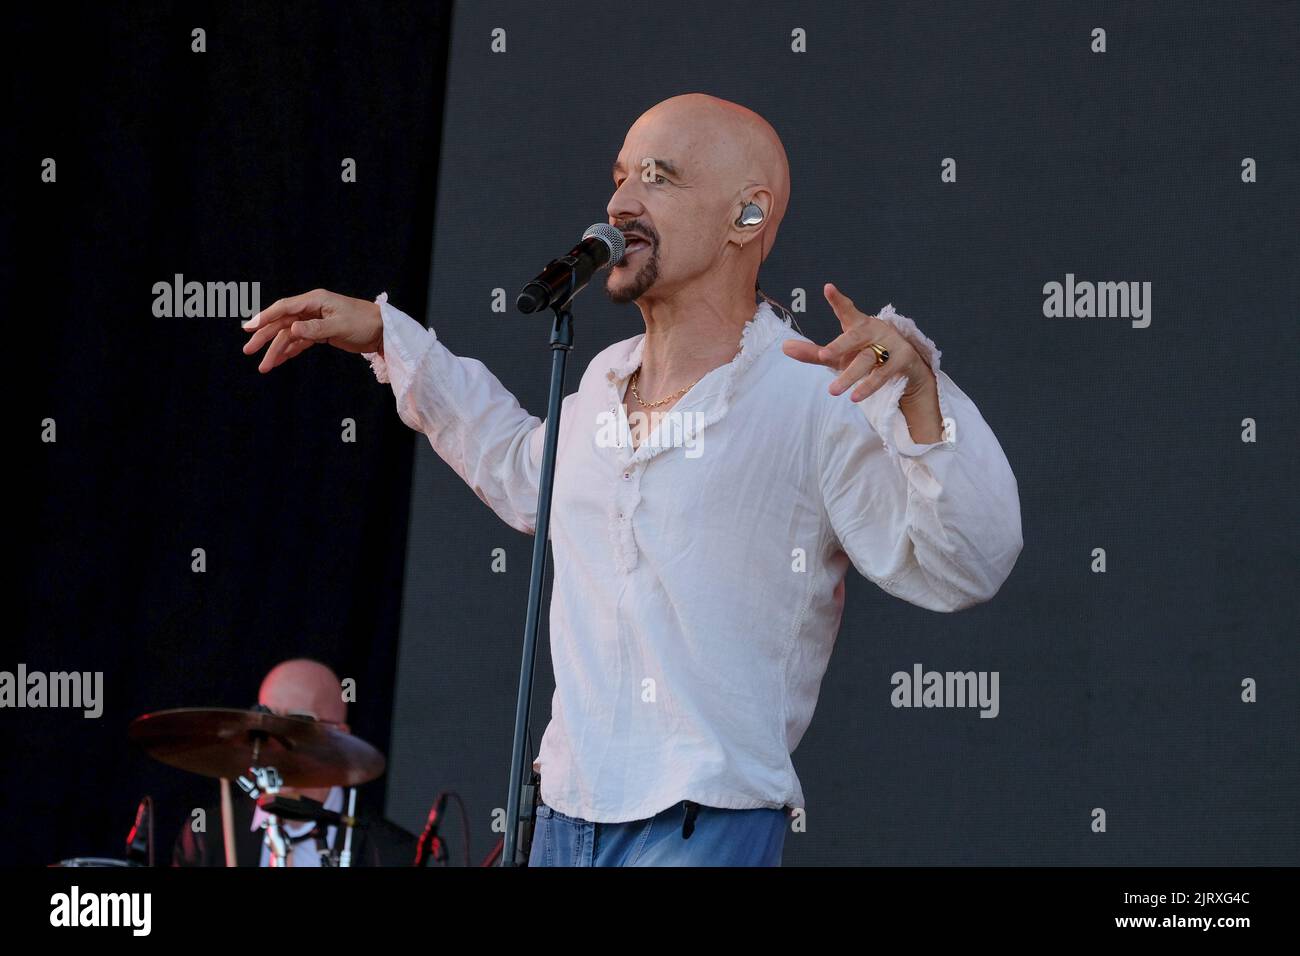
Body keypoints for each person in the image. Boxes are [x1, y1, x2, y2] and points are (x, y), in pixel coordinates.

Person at [241, 93, 1024, 866]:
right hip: (564, 815)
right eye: (619, 176)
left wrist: (919, 392)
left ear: (746, 218)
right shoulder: (604, 381)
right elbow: (524, 472)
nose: (618, 203)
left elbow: (964, 563)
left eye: (659, 176)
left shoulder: (810, 397)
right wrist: (389, 336)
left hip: (703, 822)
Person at [173, 658, 417, 867]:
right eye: (266, 719)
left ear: (339, 737)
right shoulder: (210, 835)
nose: (274, 740)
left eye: (297, 724)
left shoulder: (391, 852)